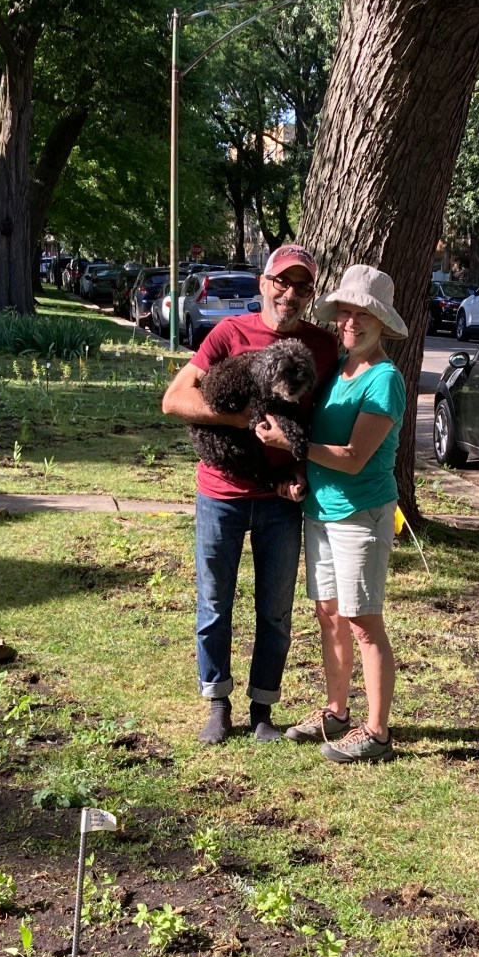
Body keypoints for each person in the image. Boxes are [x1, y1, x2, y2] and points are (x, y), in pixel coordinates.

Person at [161, 244, 337, 744]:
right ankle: (217, 703)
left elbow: (323, 419)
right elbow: (175, 399)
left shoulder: (322, 348)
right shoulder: (229, 333)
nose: (290, 294)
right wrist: (239, 419)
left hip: (282, 499)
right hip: (221, 493)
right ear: (264, 283)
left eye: (303, 286)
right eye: (282, 282)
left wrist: (302, 468)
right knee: (215, 602)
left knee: (276, 608)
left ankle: (263, 708)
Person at [259, 264, 407, 764]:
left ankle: (377, 733)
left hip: (359, 514)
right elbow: (323, 450)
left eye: (363, 314)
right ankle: (336, 712)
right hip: (320, 511)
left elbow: (352, 456)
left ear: (382, 322)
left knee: (363, 621)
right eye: (345, 311)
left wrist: (292, 444)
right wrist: (300, 470)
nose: (351, 322)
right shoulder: (340, 369)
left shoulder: (384, 379)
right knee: (329, 616)